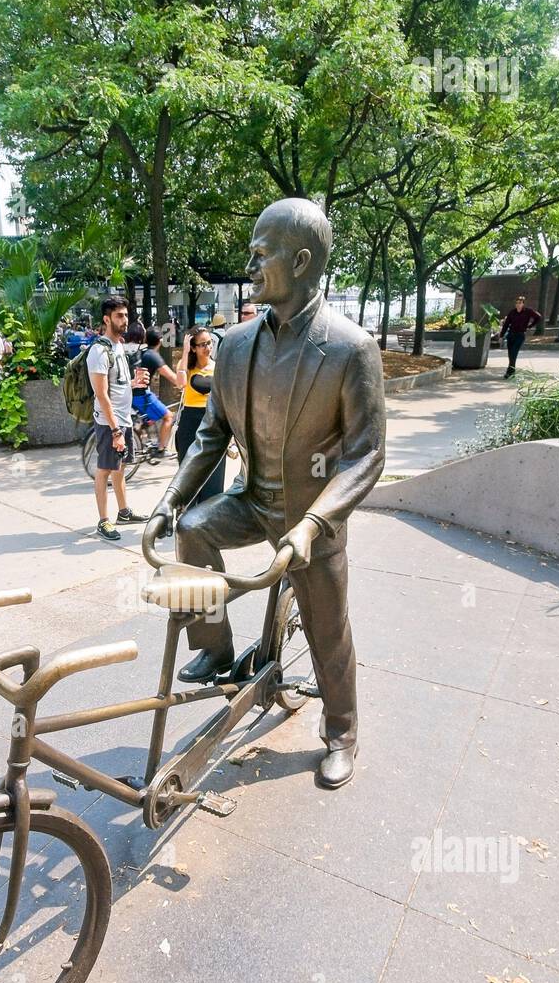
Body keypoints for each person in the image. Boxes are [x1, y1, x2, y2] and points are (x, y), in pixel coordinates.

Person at [150, 197, 386, 790]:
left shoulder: (350, 348)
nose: (250, 265)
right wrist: (169, 501)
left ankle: (341, 733)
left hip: (311, 521)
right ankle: (217, 644)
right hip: (254, 500)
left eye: (261, 254)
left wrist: (312, 526)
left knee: (328, 629)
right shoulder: (235, 345)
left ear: (301, 260)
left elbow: (367, 455)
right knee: (195, 529)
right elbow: (211, 435)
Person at [86, 295, 149, 542]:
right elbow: (101, 395)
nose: (125, 320)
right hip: (109, 423)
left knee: (120, 468)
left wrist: (133, 383)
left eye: (125, 315)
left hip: (123, 419)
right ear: (106, 319)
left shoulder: (118, 346)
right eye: (119, 316)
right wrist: (115, 431)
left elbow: (117, 385)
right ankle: (103, 520)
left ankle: (123, 512)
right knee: (104, 470)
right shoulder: (98, 351)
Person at [173, 327, 225, 504]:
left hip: (212, 421)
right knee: (188, 473)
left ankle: (209, 521)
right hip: (190, 421)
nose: (207, 347)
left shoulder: (218, 367)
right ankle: (187, 520)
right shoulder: (186, 366)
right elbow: (180, 383)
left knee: (213, 474)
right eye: (202, 344)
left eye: (209, 343)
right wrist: (185, 352)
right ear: (194, 348)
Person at [135, 328, 178, 455]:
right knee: (169, 417)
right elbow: (171, 376)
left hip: (133, 394)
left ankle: (141, 431)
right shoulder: (153, 355)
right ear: (160, 341)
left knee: (151, 415)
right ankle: (161, 449)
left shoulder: (143, 352)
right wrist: (183, 384)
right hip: (141, 396)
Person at [499, 295, 541, 378]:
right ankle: (512, 371)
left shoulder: (528, 311)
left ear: (523, 304)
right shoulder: (512, 312)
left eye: (520, 303)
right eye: (517, 303)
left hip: (520, 335)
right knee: (510, 354)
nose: (518, 305)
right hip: (511, 335)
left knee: (514, 353)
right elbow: (506, 324)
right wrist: (501, 335)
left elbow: (538, 317)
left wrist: (530, 326)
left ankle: (509, 372)